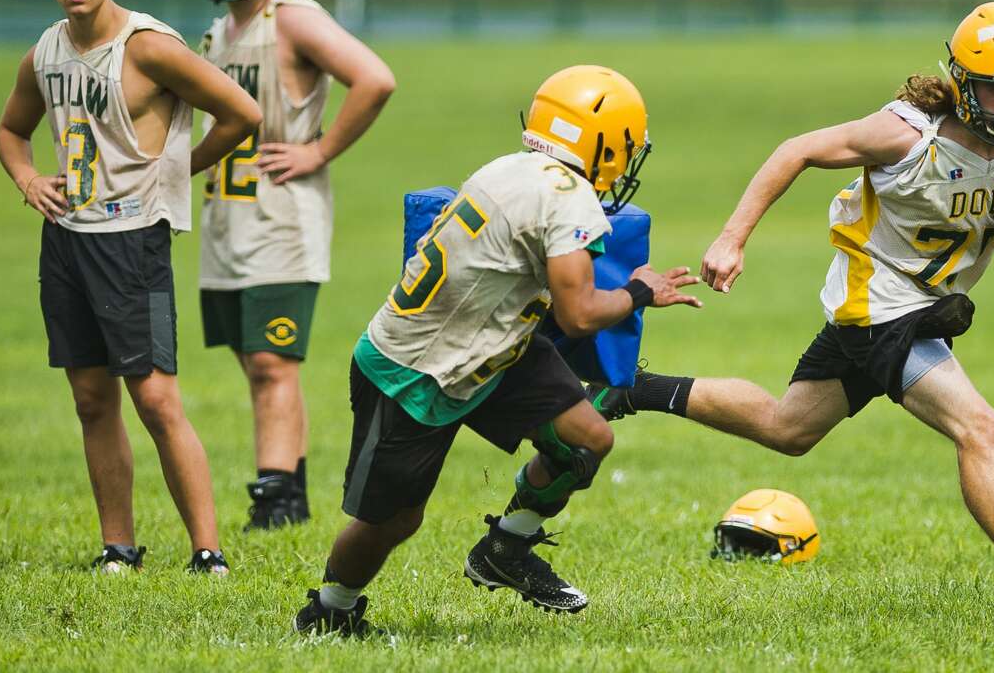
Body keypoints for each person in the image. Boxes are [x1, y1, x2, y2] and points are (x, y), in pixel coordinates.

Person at [588, 2, 994, 625]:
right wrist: (732, 237)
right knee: (981, 427)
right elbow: (797, 150)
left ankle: (627, 391)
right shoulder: (908, 133)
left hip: (919, 306)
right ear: (961, 82)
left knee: (787, 428)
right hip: (876, 299)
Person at [293, 65, 702, 636]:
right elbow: (579, 314)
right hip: (417, 369)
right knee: (394, 521)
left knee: (587, 438)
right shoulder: (569, 196)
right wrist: (639, 292)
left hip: (494, 343)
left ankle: (504, 550)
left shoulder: (508, 166)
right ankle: (330, 610)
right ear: (604, 142)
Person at [0, 0, 262, 573]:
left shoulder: (149, 47)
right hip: (65, 242)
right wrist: (28, 177)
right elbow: (10, 131)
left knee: (155, 398)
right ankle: (118, 546)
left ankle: (208, 551)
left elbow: (243, 113)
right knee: (90, 397)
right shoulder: (47, 50)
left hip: (131, 241)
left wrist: (181, 167)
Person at [190, 0, 397, 530]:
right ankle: (290, 488)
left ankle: (276, 500)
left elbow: (375, 77)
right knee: (256, 363)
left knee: (272, 363)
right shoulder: (216, 31)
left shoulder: (292, 19)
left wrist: (319, 150)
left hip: (281, 219)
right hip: (227, 219)